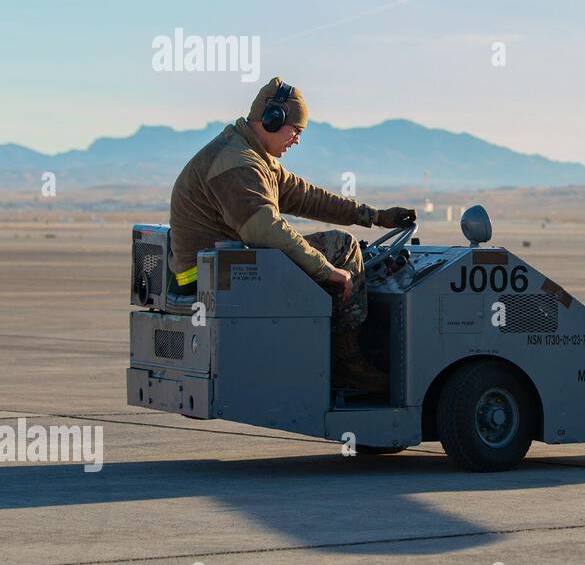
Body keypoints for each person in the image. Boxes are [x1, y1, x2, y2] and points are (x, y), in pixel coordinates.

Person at [168, 77, 416, 392]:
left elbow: (306, 196)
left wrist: (374, 216)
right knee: (342, 246)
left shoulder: (250, 155)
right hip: (215, 282)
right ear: (274, 120)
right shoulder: (238, 165)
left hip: (217, 272)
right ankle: (346, 365)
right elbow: (267, 231)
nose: (297, 140)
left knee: (338, 246)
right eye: (296, 131)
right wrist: (329, 271)